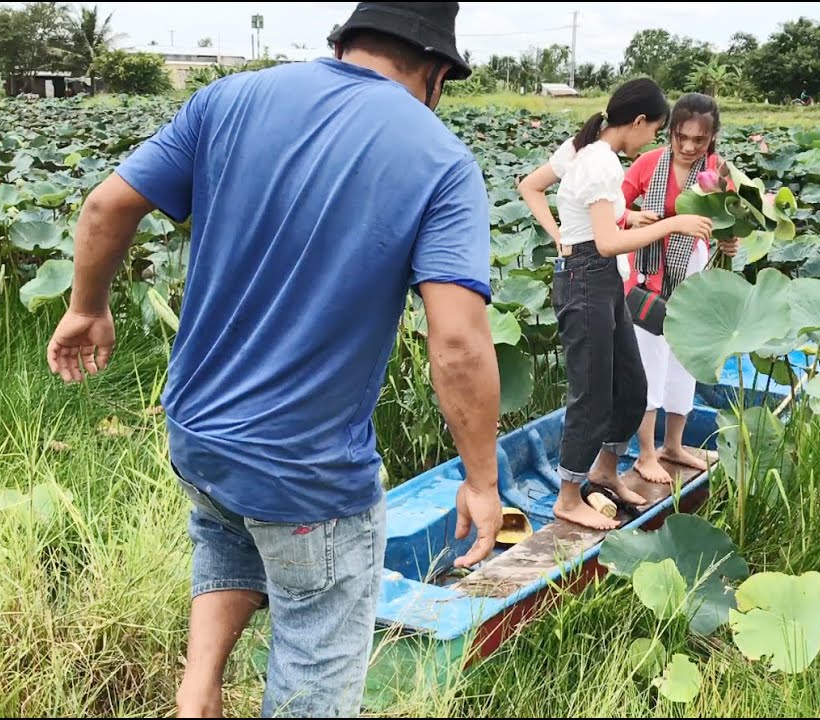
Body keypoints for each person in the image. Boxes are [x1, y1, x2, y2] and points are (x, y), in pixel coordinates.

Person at [44, 3, 504, 717]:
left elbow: (106, 207)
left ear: (344, 42)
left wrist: (86, 307)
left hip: (196, 435)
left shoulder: (228, 97)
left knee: (227, 529)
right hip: (307, 476)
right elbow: (456, 343)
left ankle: (198, 695)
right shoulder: (442, 160)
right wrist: (481, 478)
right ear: (438, 72)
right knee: (315, 656)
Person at [517, 79, 713, 531]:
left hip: (601, 280)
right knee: (591, 396)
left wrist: (573, 229)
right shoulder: (602, 162)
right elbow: (606, 242)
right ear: (639, 121)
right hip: (587, 279)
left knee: (632, 387)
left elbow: (534, 188)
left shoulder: (582, 147)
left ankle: (605, 472)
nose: (652, 142)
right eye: (655, 131)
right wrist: (671, 224)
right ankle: (569, 496)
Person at [618, 92, 739, 482]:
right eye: (679, 136)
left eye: (698, 140)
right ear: (669, 133)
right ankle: (646, 454)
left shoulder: (719, 172)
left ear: (713, 137)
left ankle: (674, 445)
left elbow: (731, 223)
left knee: (685, 360)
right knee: (650, 360)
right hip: (649, 277)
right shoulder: (648, 164)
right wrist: (636, 217)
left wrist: (731, 242)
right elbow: (610, 208)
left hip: (693, 274)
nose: (688, 146)